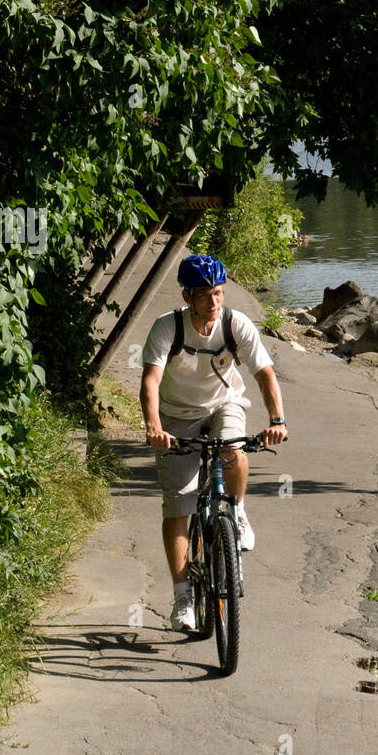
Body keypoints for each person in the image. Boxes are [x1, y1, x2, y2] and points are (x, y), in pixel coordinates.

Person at [140, 254, 288, 632]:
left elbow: (265, 374)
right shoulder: (166, 328)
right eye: (205, 295)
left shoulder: (235, 324)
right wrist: (154, 426)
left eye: (219, 293)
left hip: (225, 404)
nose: (214, 302)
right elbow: (151, 381)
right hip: (176, 416)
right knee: (178, 505)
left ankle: (236, 512)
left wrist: (277, 420)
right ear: (188, 296)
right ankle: (183, 598)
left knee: (232, 449)